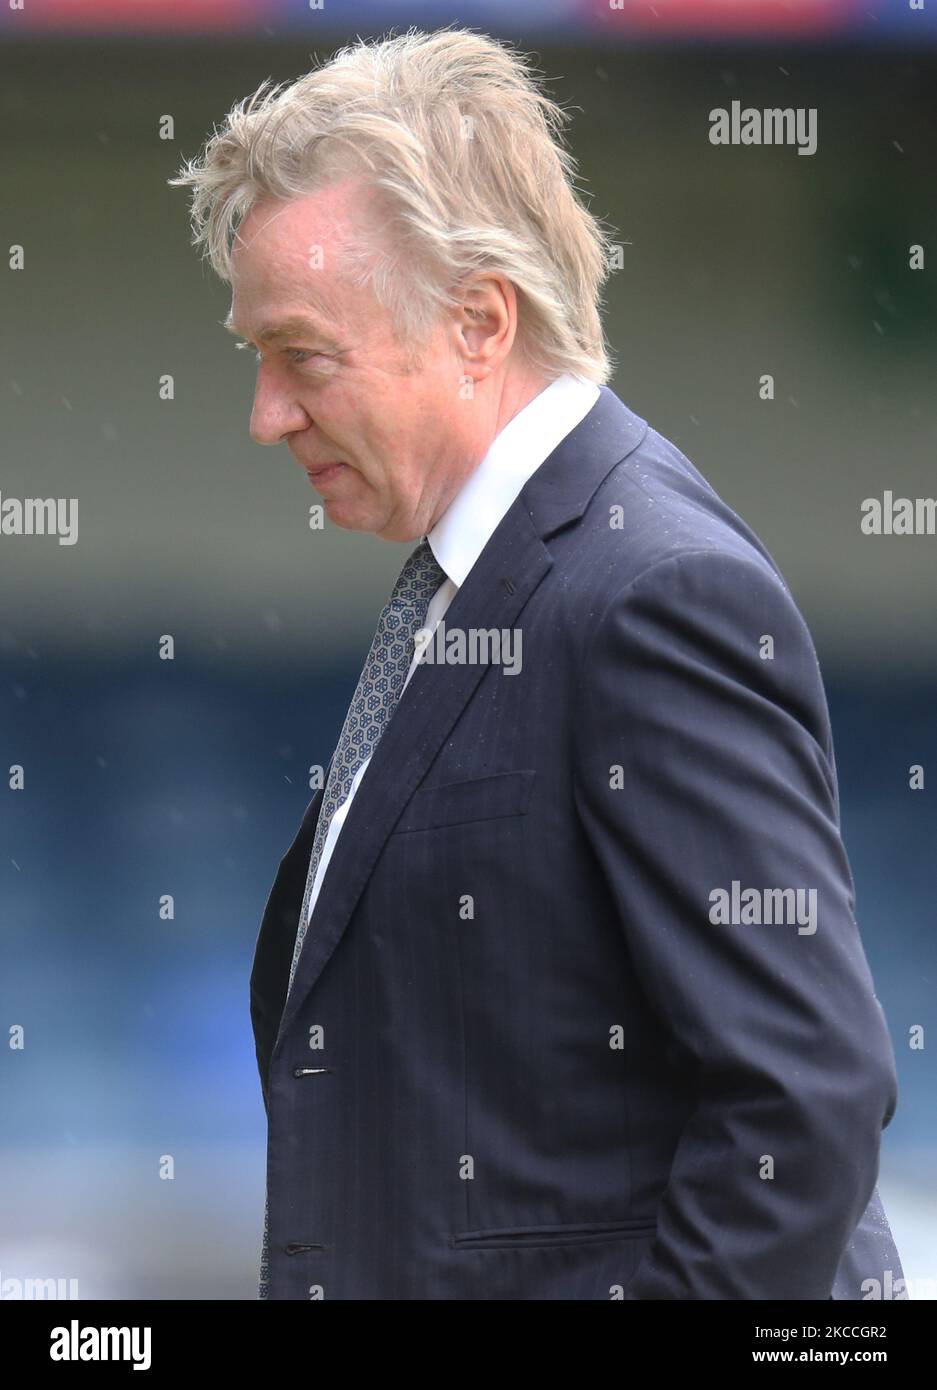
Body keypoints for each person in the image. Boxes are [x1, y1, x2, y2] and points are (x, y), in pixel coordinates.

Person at [170, 27, 905, 1300]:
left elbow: (801, 1096)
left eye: (302, 354)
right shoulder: (492, 575)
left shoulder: (651, 590)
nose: (265, 415)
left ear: (476, 321)